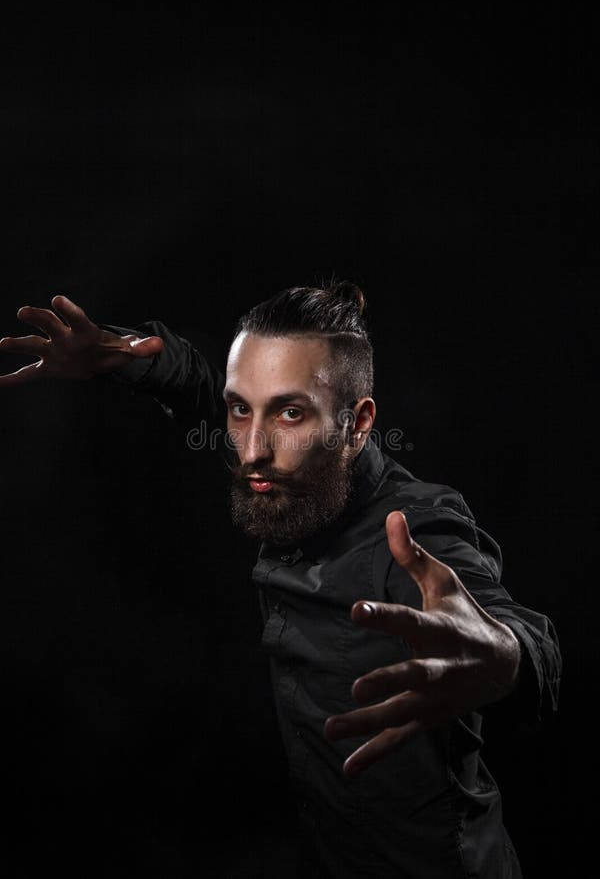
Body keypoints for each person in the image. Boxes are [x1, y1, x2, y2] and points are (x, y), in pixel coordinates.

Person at [0, 282, 561, 878]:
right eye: (241, 408)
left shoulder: (412, 526)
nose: (252, 450)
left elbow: (525, 638)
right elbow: (196, 381)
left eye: (291, 411)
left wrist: (506, 656)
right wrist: (124, 354)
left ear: (356, 424)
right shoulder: (279, 466)